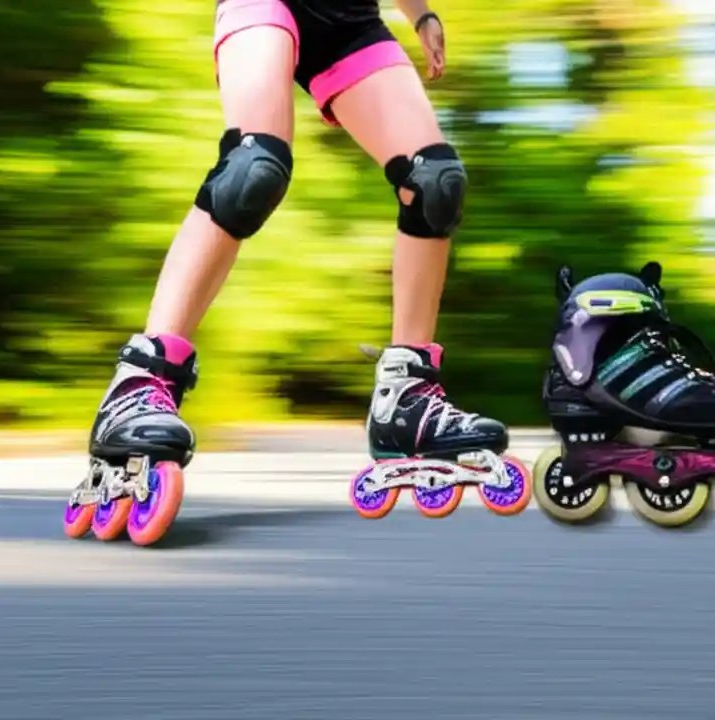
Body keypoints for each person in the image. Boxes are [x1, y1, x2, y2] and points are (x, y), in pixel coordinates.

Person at [85, 0, 510, 518]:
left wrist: (420, 15)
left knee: (435, 182)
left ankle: (408, 395)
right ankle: (140, 383)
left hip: (348, 18)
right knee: (253, 167)